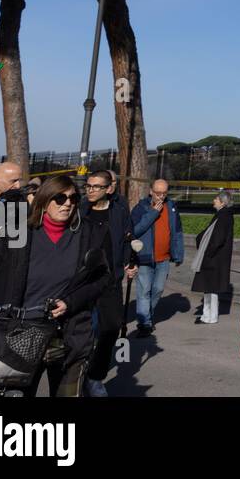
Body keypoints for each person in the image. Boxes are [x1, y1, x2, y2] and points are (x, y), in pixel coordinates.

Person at [0, 174, 112, 396]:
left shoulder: (90, 233)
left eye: (73, 199)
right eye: (60, 199)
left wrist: (70, 302)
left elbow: (102, 279)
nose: (68, 204)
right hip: (20, 334)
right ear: (44, 201)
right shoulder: (19, 233)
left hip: (69, 336)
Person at [81, 169, 134, 396]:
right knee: (82, 331)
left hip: (110, 280)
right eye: (88, 186)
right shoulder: (79, 210)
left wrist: (131, 262)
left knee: (111, 327)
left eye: (96, 186)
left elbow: (128, 238)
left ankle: (94, 376)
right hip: (81, 281)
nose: (91, 190)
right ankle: (76, 375)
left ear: (109, 189)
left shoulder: (119, 212)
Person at [129, 178, 183, 336]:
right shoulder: (141, 208)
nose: (161, 197)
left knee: (158, 289)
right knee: (144, 291)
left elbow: (177, 232)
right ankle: (144, 323)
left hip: (164, 258)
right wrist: (153, 213)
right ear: (151, 191)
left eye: (164, 193)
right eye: (158, 193)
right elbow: (135, 231)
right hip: (145, 257)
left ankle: (147, 316)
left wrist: (178, 254)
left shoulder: (171, 207)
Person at [191, 190, 234, 325]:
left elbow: (217, 239)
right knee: (209, 288)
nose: (213, 201)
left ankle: (210, 316)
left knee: (211, 289)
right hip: (215, 258)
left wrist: (208, 253)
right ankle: (207, 315)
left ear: (222, 202)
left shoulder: (223, 216)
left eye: (215, 199)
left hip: (214, 259)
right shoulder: (223, 215)